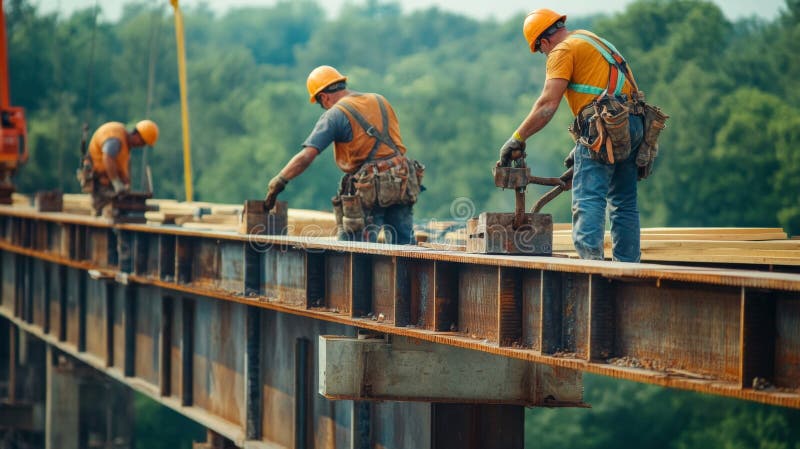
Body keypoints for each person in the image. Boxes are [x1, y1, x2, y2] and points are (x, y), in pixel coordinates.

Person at [498, 9, 652, 263]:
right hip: (633, 124)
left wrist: (517, 137)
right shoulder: (589, 38)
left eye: (540, 50)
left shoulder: (562, 50)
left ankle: (590, 267)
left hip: (605, 126)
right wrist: (581, 151)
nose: (544, 54)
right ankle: (628, 267)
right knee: (623, 202)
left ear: (544, 42)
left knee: (589, 197)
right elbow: (606, 93)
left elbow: (547, 105)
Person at [263, 65, 423, 244]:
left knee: (354, 251)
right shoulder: (379, 100)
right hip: (401, 181)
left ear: (323, 97)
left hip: (368, 190)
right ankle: (407, 271)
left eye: (320, 103)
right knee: (404, 245)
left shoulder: (335, 115)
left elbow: (307, 155)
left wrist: (280, 180)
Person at [84, 120, 159, 215]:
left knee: (121, 209)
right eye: (143, 142)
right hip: (99, 181)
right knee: (107, 210)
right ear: (137, 135)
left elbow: (120, 166)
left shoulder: (125, 145)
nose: (141, 146)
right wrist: (116, 182)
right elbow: (108, 158)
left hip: (107, 182)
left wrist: (125, 184)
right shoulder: (116, 138)